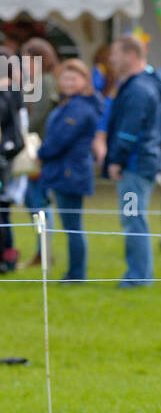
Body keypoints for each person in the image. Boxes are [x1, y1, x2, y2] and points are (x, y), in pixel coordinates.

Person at [103, 35, 161, 287]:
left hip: (135, 163)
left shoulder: (139, 89)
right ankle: (139, 275)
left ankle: (138, 278)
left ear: (130, 55)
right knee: (134, 218)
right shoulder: (140, 84)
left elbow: (129, 130)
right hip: (140, 161)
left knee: (133, 219)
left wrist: (116, 159)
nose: (111, 59)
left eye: (115, 53)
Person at [37, 60, 103, 282]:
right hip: (65, 169)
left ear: (85, 81)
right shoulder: (69, 104)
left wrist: (40, 153)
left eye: (74, 78)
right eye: (65, 78)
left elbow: (59, 140)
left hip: (71, 172)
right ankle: (74, 272)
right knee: (71, 225)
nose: (68, 82)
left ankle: (76, 274)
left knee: (73, 226)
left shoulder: (80, 107)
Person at [20, 38, 60, 268]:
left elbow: (39, 116)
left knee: (39, 201)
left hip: (40, 151)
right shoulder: (39, 81)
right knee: (35, 200)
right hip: (38, 149)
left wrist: (20, 132)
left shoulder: (44, 82)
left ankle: (44, 252)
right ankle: (42, 251)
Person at [0, 45, 26, 273]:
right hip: (6, 160)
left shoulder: (7, 94)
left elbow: (15, 136)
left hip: (3, 161)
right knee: (3, 210)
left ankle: (6, 259)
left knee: (2, 210)